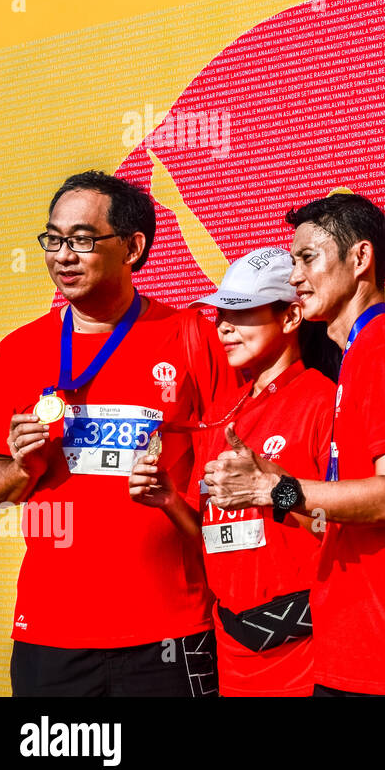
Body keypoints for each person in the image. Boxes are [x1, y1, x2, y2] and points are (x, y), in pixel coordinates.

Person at [0, 171, 237, 696]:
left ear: (133, 247)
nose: (62, 256)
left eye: (82, 240)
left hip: (170, 632)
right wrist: (20, 467)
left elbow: (233, 474)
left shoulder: (193, 337)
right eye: (53, 240)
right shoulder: (18, 352)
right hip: (51, 638)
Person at [203, 193, 385, 696]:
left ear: (360, 259)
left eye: (307, 258)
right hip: (360, 646)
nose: (295, 275)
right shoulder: (362, 356)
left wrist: (273, 488)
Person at [129, 247, 336, 696]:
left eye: (241, 313)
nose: (223, 326)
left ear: (291, 317)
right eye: (221, 313)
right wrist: (168, 501)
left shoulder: (323, 400)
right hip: (231, 645)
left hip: (304, 643)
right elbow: (209, 536)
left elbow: (343, 529)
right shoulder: (221, 413)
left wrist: (271, 490)